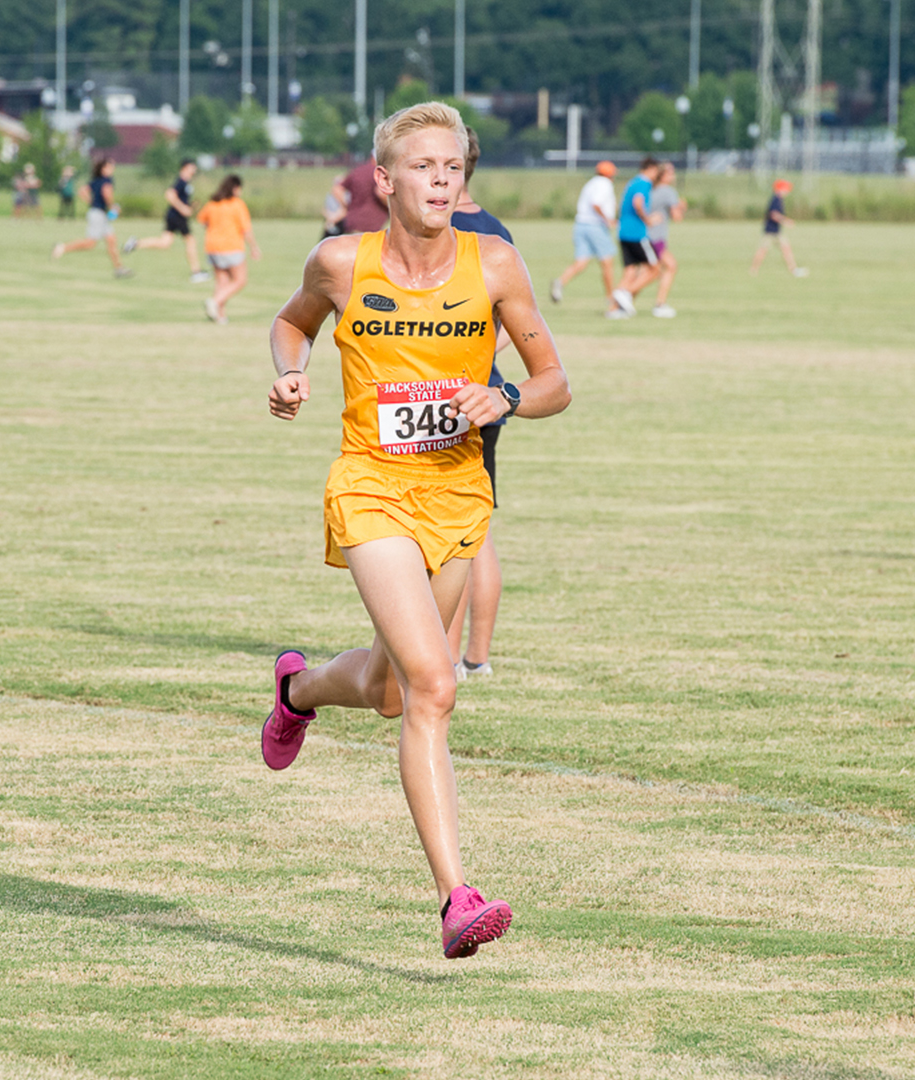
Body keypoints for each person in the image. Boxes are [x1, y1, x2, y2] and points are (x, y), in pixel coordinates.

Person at [262, 102, 571, 959]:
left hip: (455, 496)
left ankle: (298, 691)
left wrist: (504, 395)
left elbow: (554, 381)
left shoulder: (496, 263)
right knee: (435, 684)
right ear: (384, 181)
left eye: (455, 167)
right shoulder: (339, 261)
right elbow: (292, 325)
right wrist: (291, 377)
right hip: (371, 491)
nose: (444, 180)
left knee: (393, 688)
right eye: (427, 167)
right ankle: (454, 897)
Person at [446, 127, 513, 680]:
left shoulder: (430, 228)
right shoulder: (497, 232)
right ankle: (477, 658)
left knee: (445, 537)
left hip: (430, 398)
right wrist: (484, 365)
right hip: (486, 395)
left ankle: (440, 658)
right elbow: (515, 325)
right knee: (479, 528)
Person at [549, 160, 619, 313]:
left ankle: (560, 283)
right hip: (595, 226)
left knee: (581, 262)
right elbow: (596, 204)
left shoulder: (591, 183)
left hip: (581, 224)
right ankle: (611, 300)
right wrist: (608, 220)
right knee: (607, 262)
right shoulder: (604, 184)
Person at [123, 160, 209, 283]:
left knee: (165, 243)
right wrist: (183, 208)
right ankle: (196, 272)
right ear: (184, 168)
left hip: (173, 216)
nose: (194, 170)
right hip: (177, 216)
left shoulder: (186, 182)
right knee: (190, 240)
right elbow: (169, 194)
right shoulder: (181, 181)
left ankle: (135, 243)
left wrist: (188, 207)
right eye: (191, 167)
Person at [51, 158, 131, 277]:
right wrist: (113, 207)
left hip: (98, 213)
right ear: (103, 168)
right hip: (99, 215)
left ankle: (119, 269)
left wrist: (91, 202)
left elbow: (82, 191)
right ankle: (62, 247)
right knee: (90, 243)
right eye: (110, 167)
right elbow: (106, 194)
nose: (112, 169)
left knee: (111, 240)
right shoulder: (107, 180)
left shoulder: (96, 180)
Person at [199, 174, 260, 323]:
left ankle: (220, 316)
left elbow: (202, 221)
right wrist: (254, 247)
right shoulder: (237, 204)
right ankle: (214, 301)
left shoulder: (213, 203)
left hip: (212, 247)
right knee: (240, 280)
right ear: (234, 188)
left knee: (222, 282)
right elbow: (246, 229)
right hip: (231, 246)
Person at [609, 157, 663, 317]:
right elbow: (638, 202)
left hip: (623, 232)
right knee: (655, 269)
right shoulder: (644, 183)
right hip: (636, 233)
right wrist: (649, 220)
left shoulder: (632, 182)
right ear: (651, 168)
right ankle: (624, 293)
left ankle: (614, 310)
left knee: (629, 272)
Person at [647, 161, 685, 319]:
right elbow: (677, 218)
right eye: (670, 173)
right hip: (656, 237)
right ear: (663, 175)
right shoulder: (668, 192)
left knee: (649, 271)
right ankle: (660, 304)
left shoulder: (650, 189)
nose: (673, 176)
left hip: (644, 236)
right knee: (670, 266)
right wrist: (681, 207)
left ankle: (623, 300)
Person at [750, 179, 806, 277]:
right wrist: (786, 221)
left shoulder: (778, 199)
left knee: (786, 248)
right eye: (786, 188)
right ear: (781, 188)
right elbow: (774, 214)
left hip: (776, 231)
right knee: (763, 250)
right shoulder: (776, 199)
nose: (788, 191)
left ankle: (793, 270)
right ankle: (753, 270)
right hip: (771, 231)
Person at [334, 157, 389, 234]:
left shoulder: (358, 170)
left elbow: (338, 189)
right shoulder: (379, 173)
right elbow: (380, 193)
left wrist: (346, 205)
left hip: (352, 222)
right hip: (372, 223)